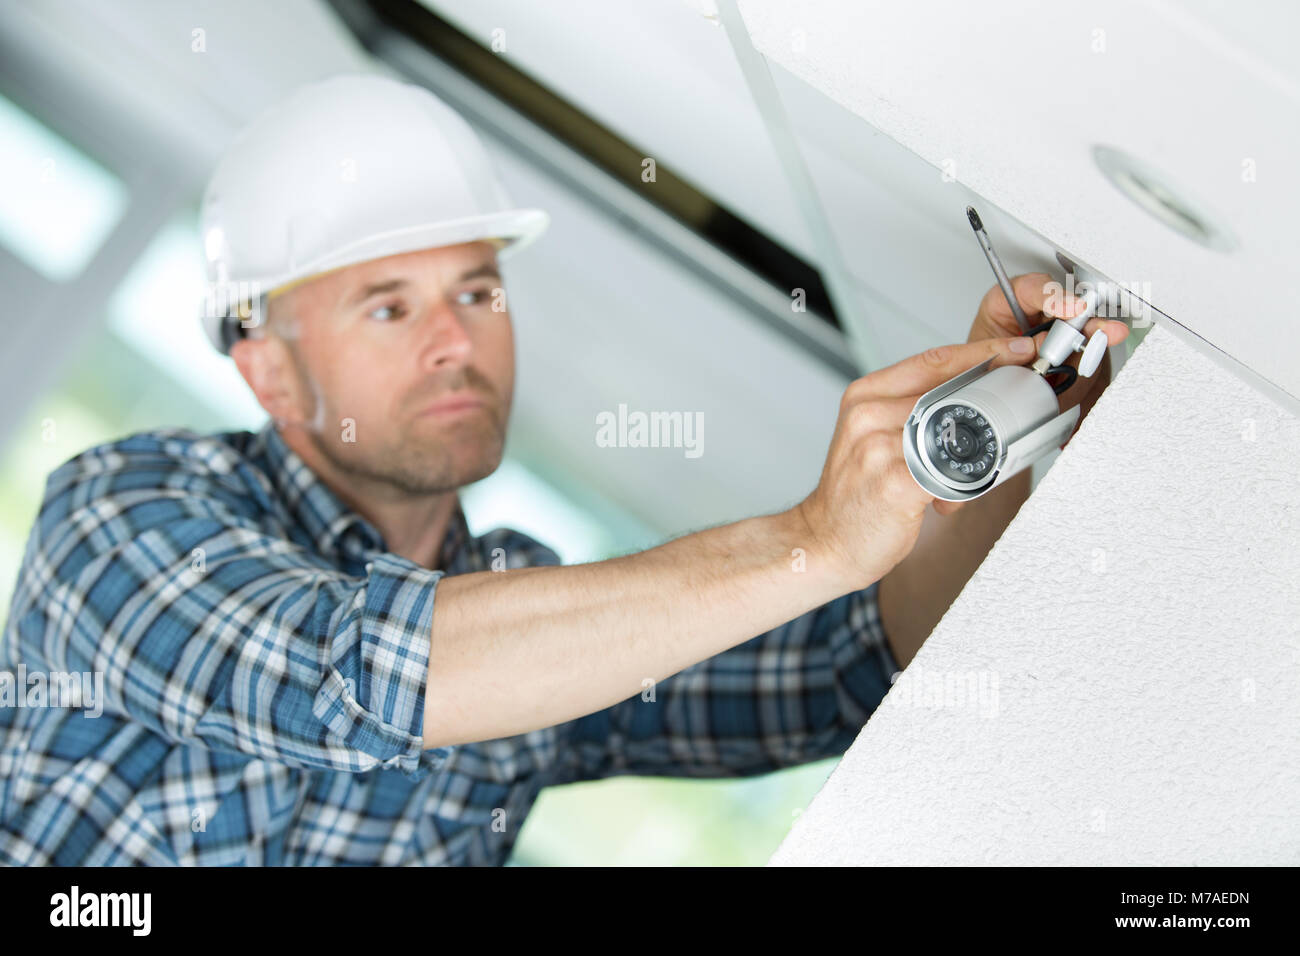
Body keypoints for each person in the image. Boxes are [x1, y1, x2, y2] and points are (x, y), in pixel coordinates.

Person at [0, 74, 1126, 865]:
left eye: (476, 290)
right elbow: (352, 676)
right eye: (387, 304)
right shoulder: (117, 515)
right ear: (269, 372)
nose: (454, 338)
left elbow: (855, 663)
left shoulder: (520, 599)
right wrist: (811, 537)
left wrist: (1000, 423)